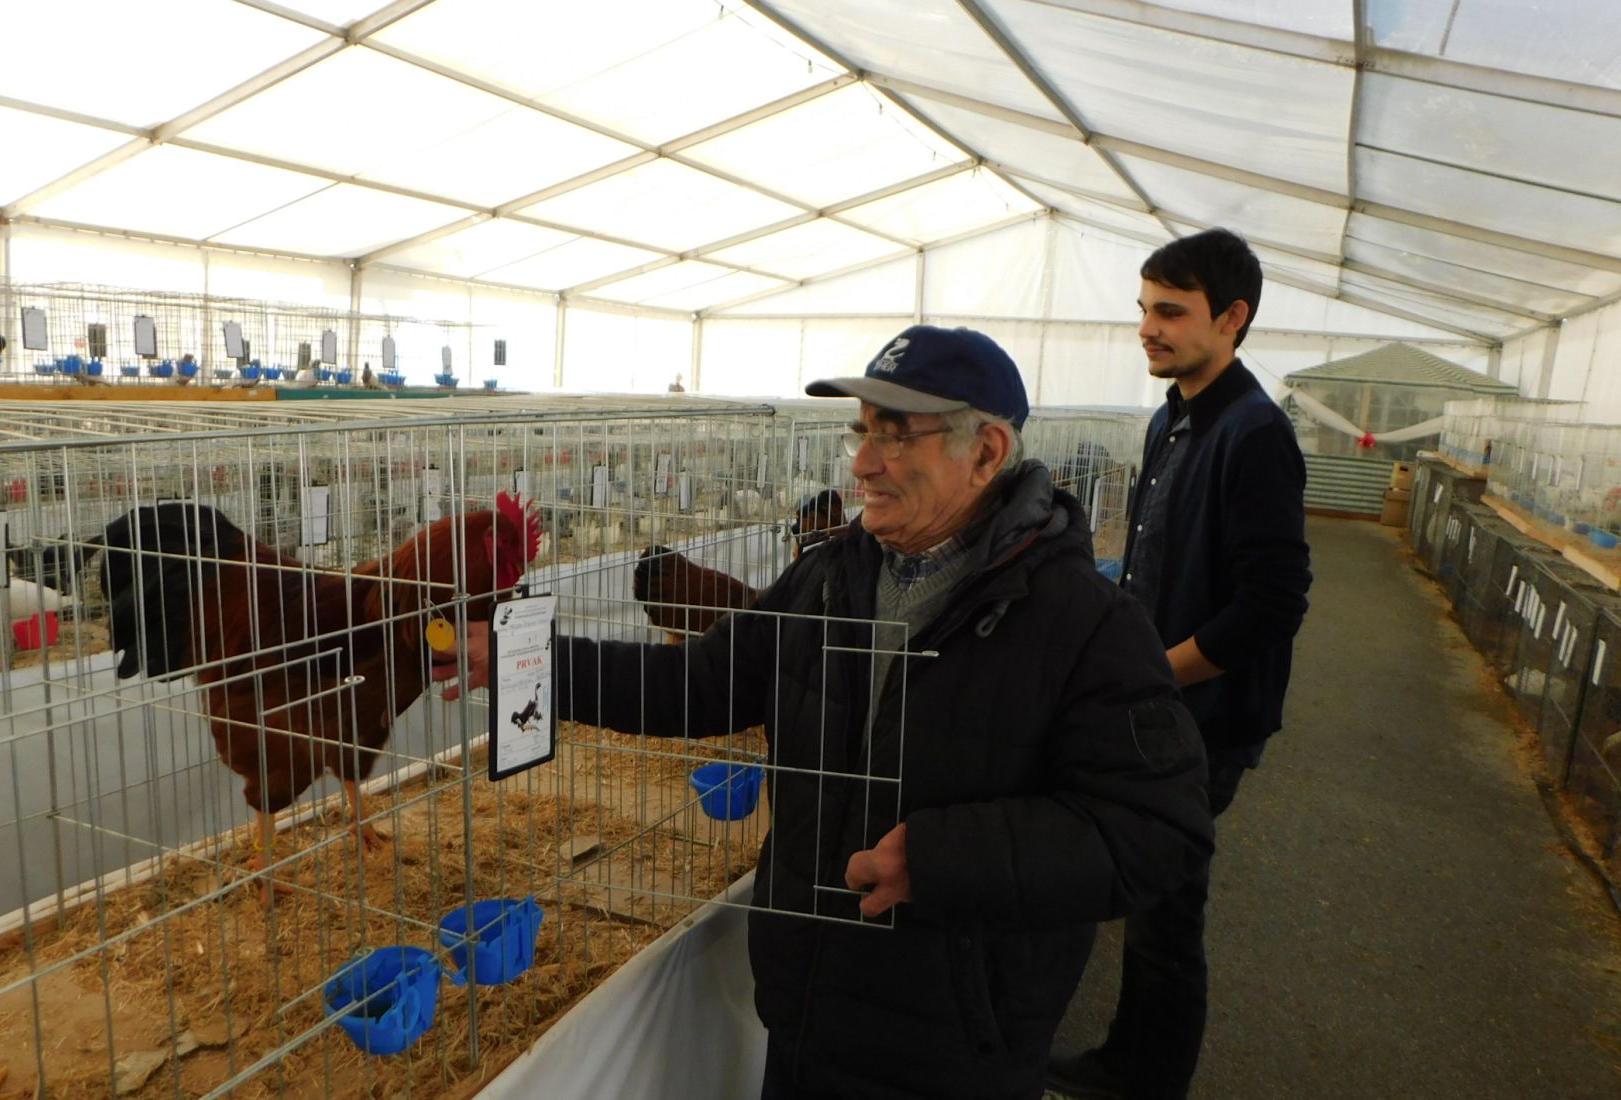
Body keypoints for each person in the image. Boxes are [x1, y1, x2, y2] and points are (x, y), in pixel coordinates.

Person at [446, 325, 1213, 1099]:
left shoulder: (1084, 621)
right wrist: (527, 662)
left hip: (953, 1053)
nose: (864, 463)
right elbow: (699, 682)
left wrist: (946, 859)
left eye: (895, 437)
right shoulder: (828, 580)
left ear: (985, 451)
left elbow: (1158, 831)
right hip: (805, 1014)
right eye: (863, 431)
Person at [1046, 229, 1313, 1100]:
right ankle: (1129, 1059)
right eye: (1143, 310)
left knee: (1166, 910)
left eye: (1170, 312)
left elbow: (1272, 606)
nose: (1147, 330)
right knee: (1151, 897)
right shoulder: (1173, 419)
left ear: (1232, 319)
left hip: (1205, 716)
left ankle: (1145, 1078)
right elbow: (1157, 557)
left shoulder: (1255, 434)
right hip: (1163, 701)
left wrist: (1158, 673)